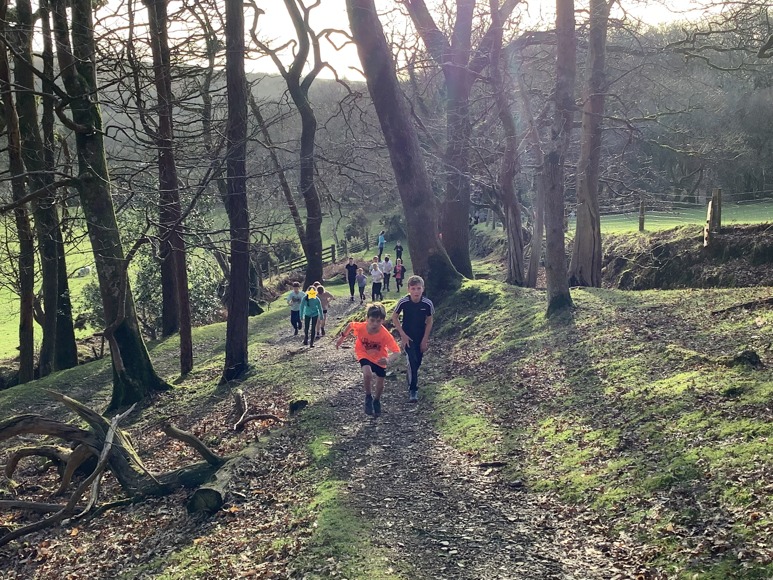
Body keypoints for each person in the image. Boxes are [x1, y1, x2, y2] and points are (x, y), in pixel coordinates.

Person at [336, 303, 400, 418]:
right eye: (372, 320)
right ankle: (368, 396)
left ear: (383, 321)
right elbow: (350, 325)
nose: (375, 324)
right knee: (367, 373)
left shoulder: (385, 335)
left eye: (378, 321)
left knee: (380, 383)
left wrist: (388, 359)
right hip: (363, 353)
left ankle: (376, 400)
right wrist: (342, 337)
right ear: (367, 319)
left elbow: (397, 351)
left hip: (380, 359)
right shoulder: (361, 327)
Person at [391, 275, 434, 403]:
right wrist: (402, 335)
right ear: (409, 289)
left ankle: (410, 376)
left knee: (418, 362)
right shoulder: (403, 302)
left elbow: (430, 320)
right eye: (413, 288)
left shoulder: (427, 303)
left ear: (423, 289)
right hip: (408, 337)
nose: (416, 291)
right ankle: (413, 390)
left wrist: (425, 339)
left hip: (420, 336)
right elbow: (394, 317)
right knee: (413, 361)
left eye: (418, 288)